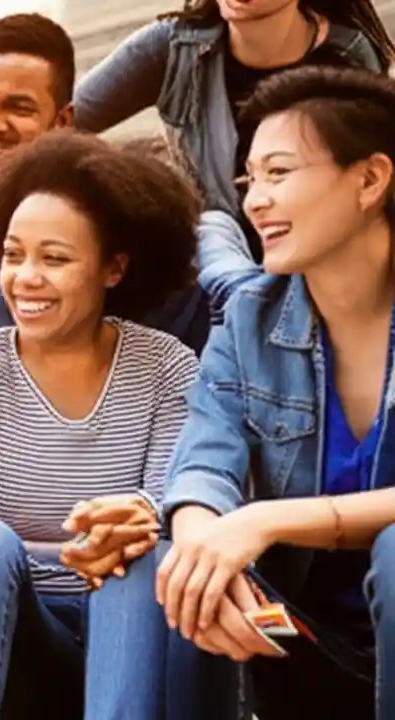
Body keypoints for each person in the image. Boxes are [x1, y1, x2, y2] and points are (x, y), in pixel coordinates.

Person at [0, 131, 201, 719]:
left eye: (55, 259)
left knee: (138, 543)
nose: (25, 278)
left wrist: (121, 532)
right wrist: (65, 553)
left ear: (113, 268)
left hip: (134, 631)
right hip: (9, 633)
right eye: (13, 255)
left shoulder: (168, 366)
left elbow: (177, 507)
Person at [159, 66, 395, 719]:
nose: (255, 201)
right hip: (307, 643)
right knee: (168, 559)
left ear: (371, 179)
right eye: (249, 180)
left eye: (279, 173)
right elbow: (204, 461)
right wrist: (203, 537)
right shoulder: (250, 320)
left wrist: (262, 520)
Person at [0, 13, 210, 354]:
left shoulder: (118, 211)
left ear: (63, 122)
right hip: (7, 369)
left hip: (125, 387)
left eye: (19, 108)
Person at [75, 0, 394, 261]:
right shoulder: (173, 47)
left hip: (312, 262)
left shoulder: (349, 60)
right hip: (208, 263)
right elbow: (60, 123)